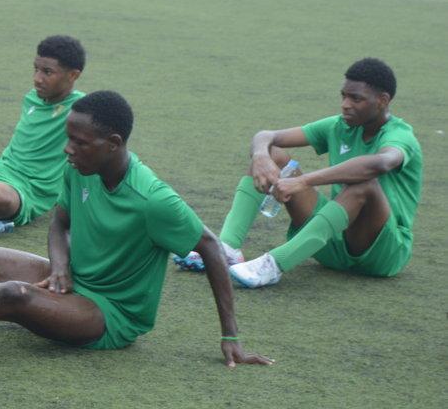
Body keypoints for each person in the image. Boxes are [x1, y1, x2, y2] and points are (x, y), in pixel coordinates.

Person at [0, 91, 272, 366]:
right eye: (68, 138)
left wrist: (231, 334)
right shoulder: (81, 167)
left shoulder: (152, 199)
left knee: (12, 295)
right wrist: (60, 266)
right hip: (74, 282)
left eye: (79, 142)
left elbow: (211, 246)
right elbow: (60, 223)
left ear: (113, 144)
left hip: (107, 314)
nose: (68, 149)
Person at [177, 58, 422, 288]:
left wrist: (303, 182)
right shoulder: (339, 126)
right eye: (344, 96)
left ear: (383, 100)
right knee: (272, 154)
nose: (345, 104)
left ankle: (274, 264)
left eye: (356, 99)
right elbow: (266, 136)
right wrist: (261, 156)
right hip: (332, 244)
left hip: (382, 254)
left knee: (365, 183)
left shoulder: (400, 135)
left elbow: (378, 164)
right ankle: (227, 249)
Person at [0, 35, 85, 227]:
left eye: (47, 72)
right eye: (36, 69)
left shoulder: (80, 110)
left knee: (1, 198)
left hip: (25, 189)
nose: (37, 79)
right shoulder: (32, 98)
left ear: (73, 75)